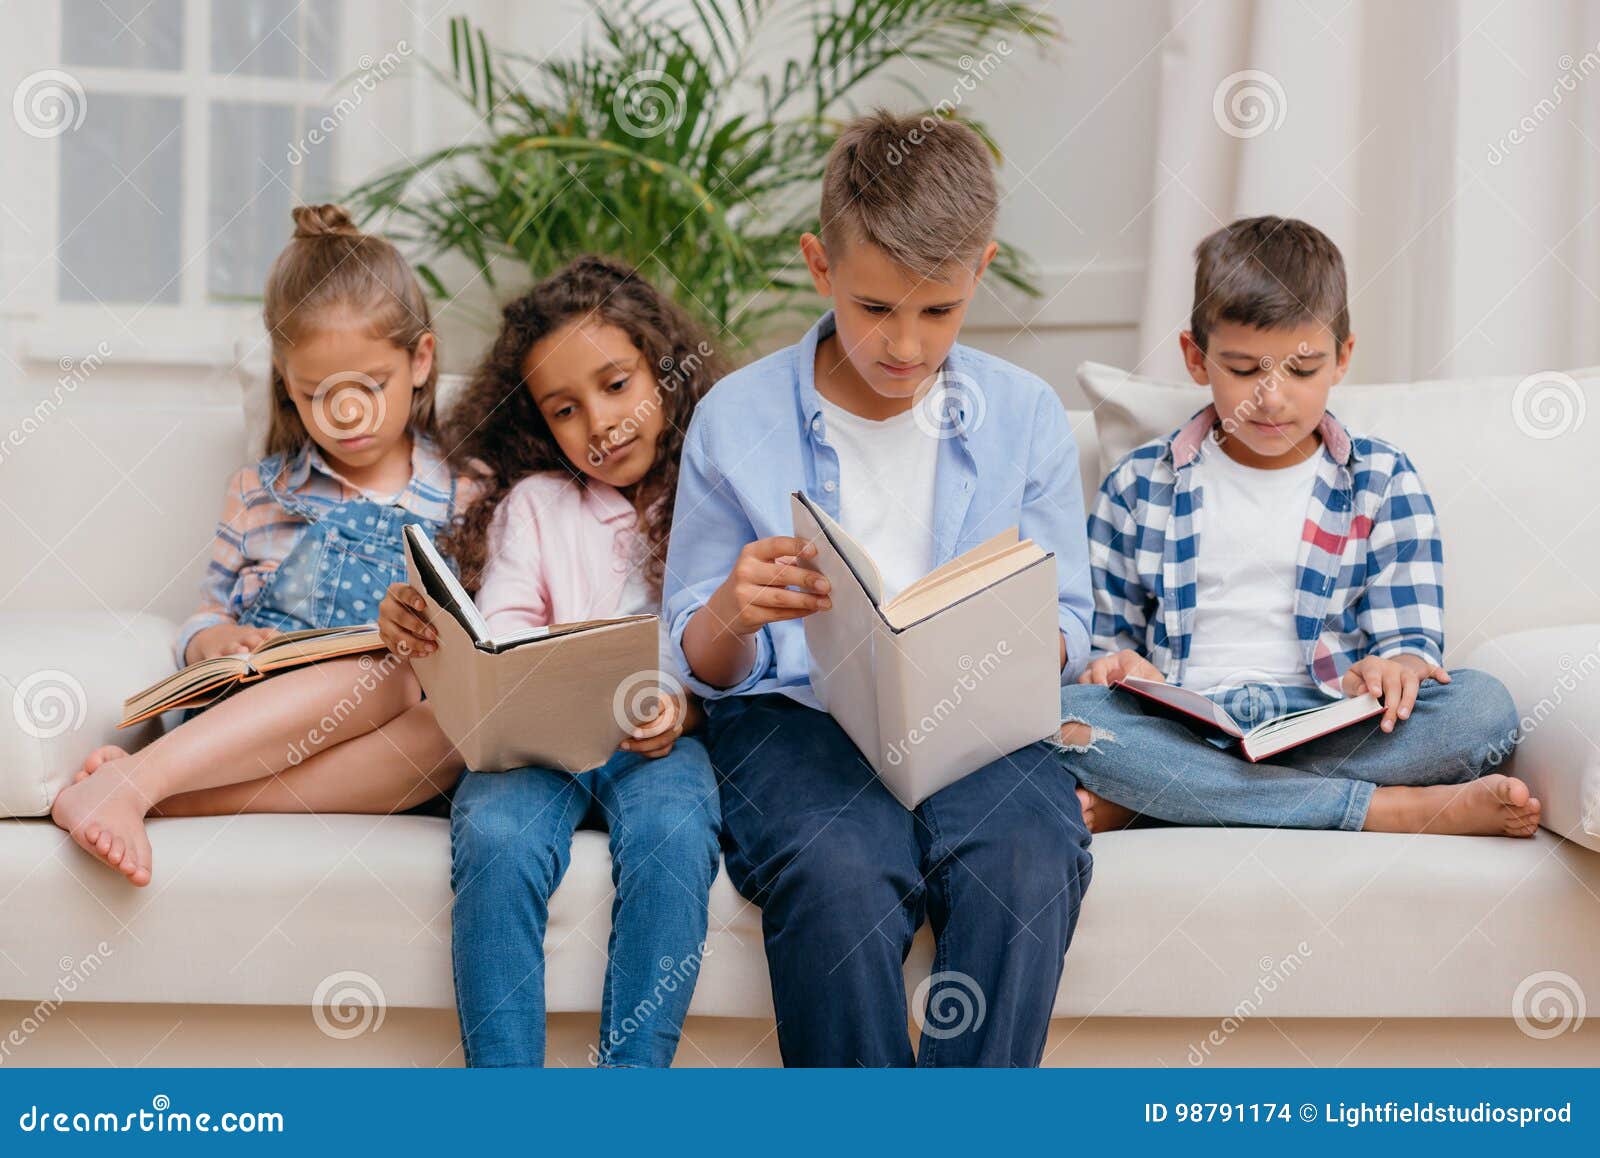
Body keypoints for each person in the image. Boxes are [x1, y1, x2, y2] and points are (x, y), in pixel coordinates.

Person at [664, 110, 1096, 1067]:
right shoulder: (734, 419)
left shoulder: (1023, 416)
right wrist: (734, 611)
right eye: (874, 309)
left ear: (980, 270)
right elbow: (697, 663)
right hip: (795, 715)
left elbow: (1070, 622)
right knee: (839, 866)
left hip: (975, 716)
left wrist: (1017, 638)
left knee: (1028, 858)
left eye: (937, 312)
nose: (905, 345)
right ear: (820, 266)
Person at [1057, 215, 1535, 838]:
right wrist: (1118, 665)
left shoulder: (1383, 479)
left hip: (1331, 722)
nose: (1272, 398)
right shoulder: (1138, 483)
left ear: (1343, 358)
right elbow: (1105, 649)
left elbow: (1413, 645)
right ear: (1196, 359)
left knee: (1485, 709)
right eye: (1245, 369)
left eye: (1302, 370)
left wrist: (1397, 667)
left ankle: (1159, 800)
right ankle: (1383, 812)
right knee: (1063, 718)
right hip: (1186, 722)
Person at [53, 204, 470, 886]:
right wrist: (208, 641)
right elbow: (209, 612)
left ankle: (156, 793)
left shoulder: (461, 494)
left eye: (371, 386)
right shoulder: (258, 489)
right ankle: (151, 780)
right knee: (382, 675)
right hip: (247, 712)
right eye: (316, 393)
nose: (348, 416)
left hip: (377, 735)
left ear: (420, 360)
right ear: (284, 379)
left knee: (447, 719)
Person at [379, 257, 724, 1067]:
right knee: (495, 833)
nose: (599, 424)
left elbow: (724, 643)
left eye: (616, 385)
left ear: (663, 368)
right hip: (539, 747)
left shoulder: (709, 495)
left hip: (659, 747)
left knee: (676, 831)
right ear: (538, 421)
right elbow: (501, 622)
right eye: (565, 409)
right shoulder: (535, 503)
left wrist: (682, 707)